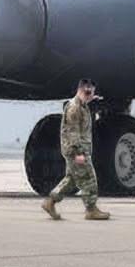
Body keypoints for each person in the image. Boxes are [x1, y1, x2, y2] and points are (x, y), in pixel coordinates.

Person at [41, 78, 110, 220]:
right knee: (89, 177)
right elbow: (73, 132)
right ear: (86, 90)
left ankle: (50, 202)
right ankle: (91, 209)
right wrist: (78, 153)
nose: (93, 95)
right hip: (76, 150)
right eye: (91, 92)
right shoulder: (75, 107)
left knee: (71, 180)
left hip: (76, 149)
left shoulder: (82, 106)